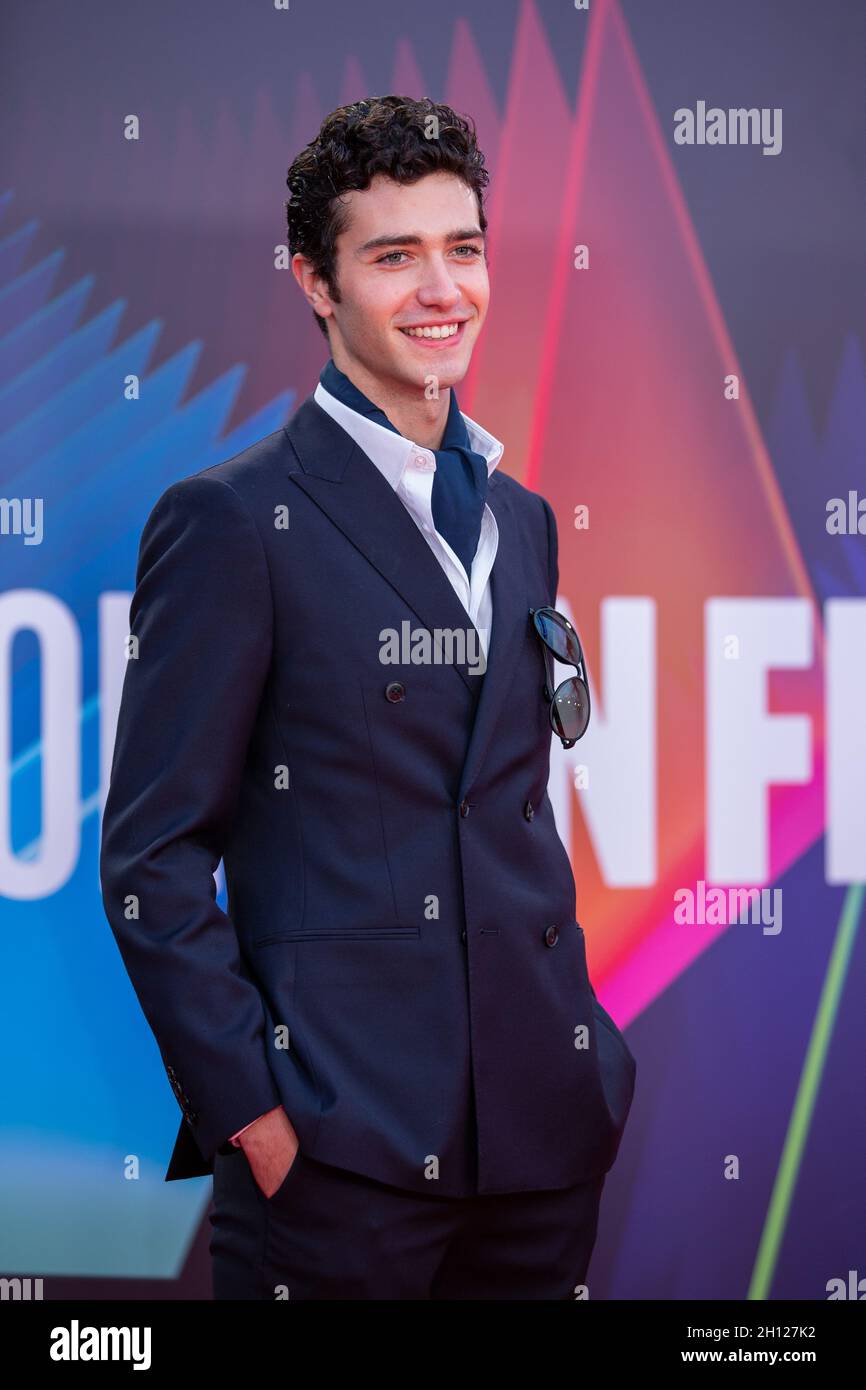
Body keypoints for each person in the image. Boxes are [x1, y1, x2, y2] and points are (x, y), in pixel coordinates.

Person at [99, 94, 636, 1300]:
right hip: (338, 1169)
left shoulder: (521, 519)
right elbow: (152, 862)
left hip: (542, 1152)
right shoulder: (232, 521)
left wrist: (590, 1064)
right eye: (393, 256)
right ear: (313, 281)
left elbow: (505, 813)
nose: (440, 289)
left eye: (462, 248)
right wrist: (258, 1121)